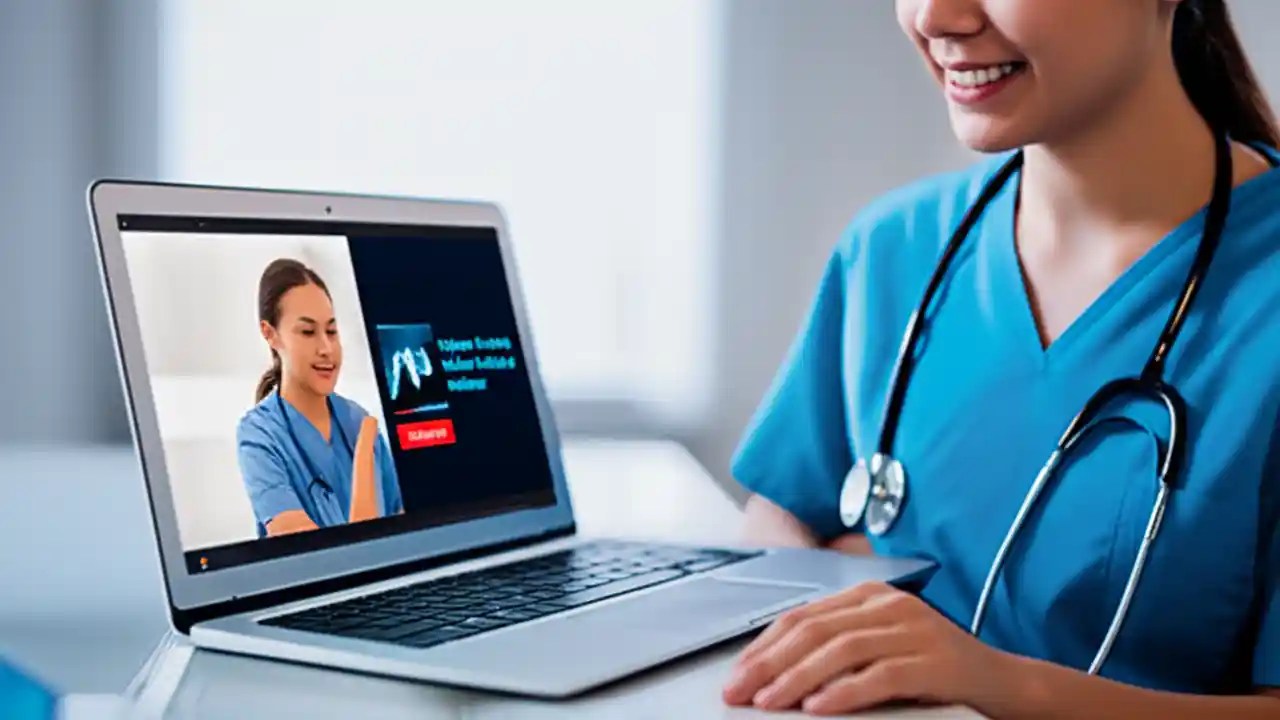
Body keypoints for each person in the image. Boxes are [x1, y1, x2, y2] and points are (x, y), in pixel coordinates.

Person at [723, 0, 1280, 717]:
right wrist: (833, 597)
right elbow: (779, 517)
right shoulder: (894, 249)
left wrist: (997, 683)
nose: (934, 16)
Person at [237, 258, 403, 538]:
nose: (326, 348)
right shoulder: (258, 437)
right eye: (308, 332)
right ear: (270, 334)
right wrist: (362, 458)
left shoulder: (358, 420)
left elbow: (405, 536)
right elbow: (328, 562)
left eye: (331, 331)